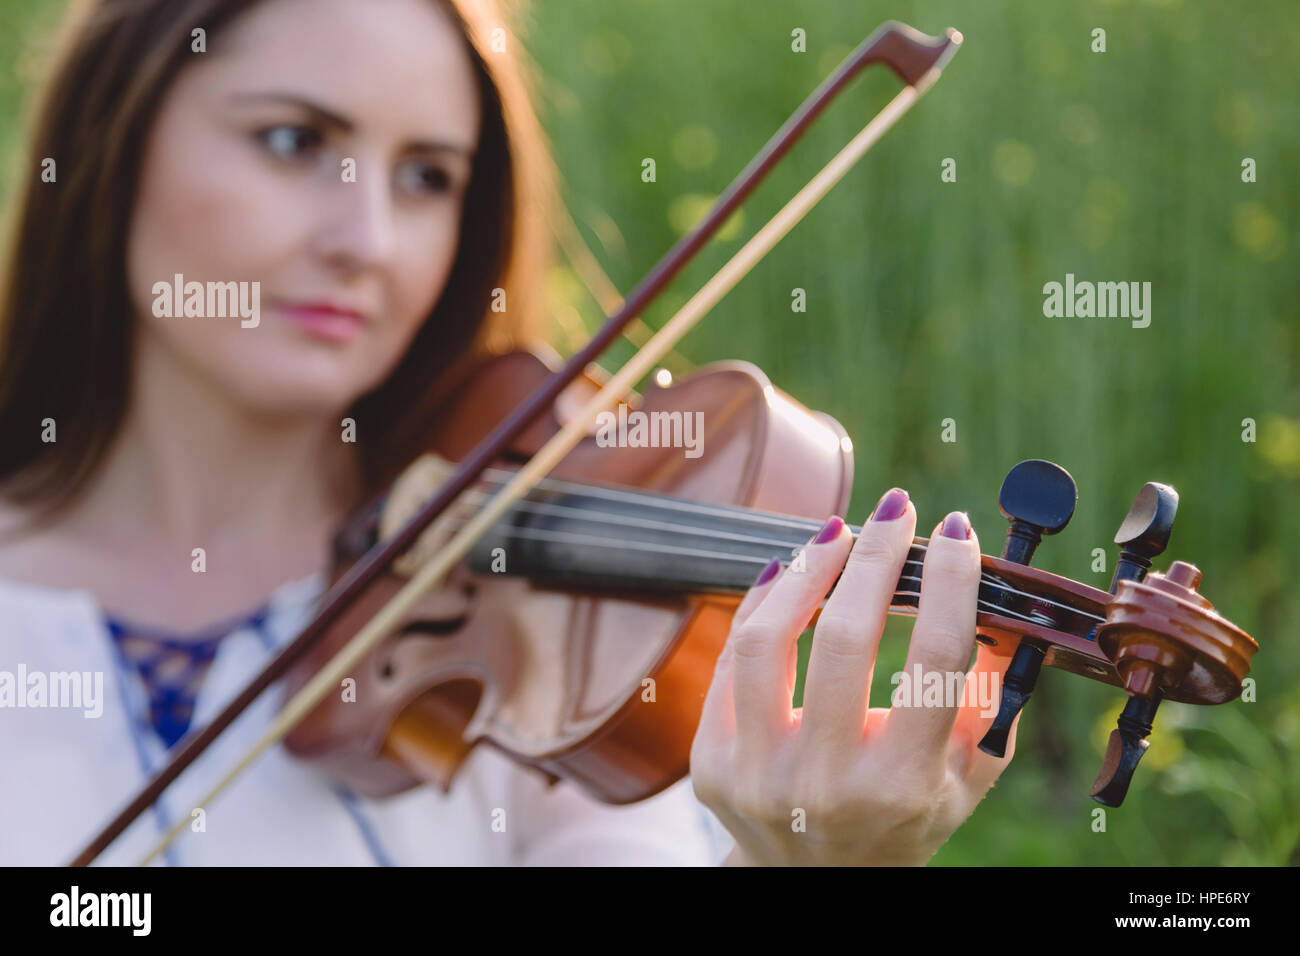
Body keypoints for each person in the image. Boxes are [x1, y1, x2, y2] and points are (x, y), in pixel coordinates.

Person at [0, 0, 1016, 866]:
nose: (368, 242)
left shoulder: (538, 643)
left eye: (427, 176)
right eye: (294, 142)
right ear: (113, 135)